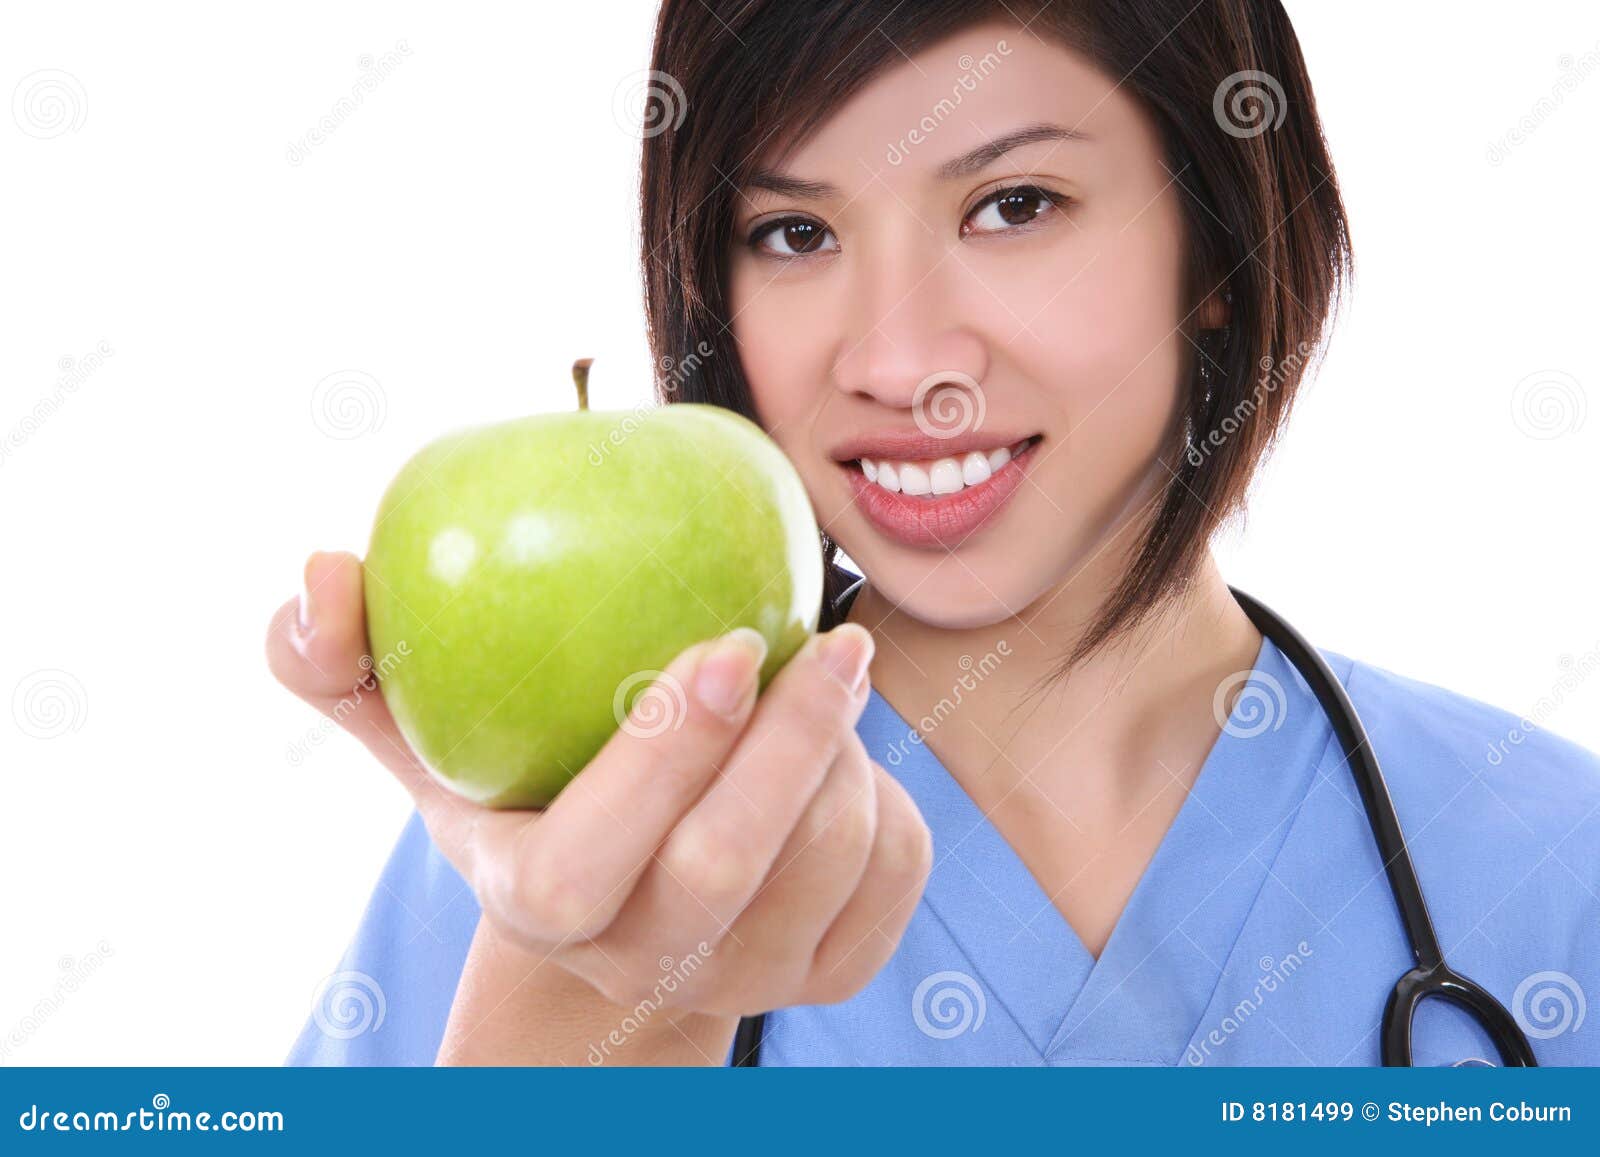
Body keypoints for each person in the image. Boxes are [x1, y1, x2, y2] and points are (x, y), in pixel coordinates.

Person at [266, 0, 1600, 1066]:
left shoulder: (1552, 859)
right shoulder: (567, 862)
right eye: (793, 231)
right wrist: (590, 1020)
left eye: (1014, 206)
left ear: (1212, 249)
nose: (903, 362)